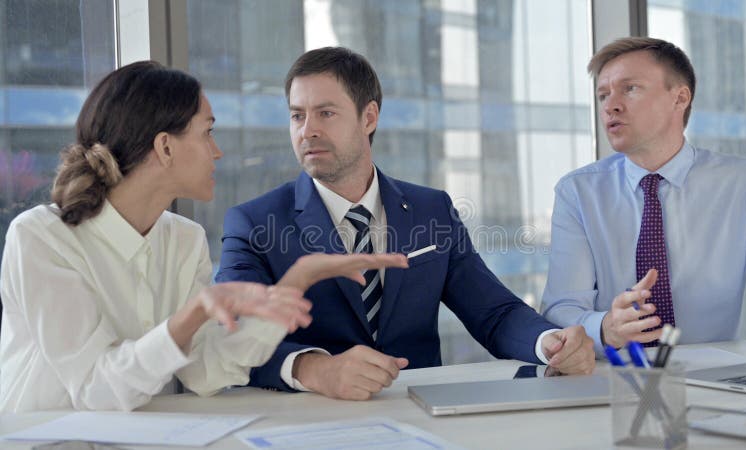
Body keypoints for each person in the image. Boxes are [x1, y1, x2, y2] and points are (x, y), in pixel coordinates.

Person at [0, 61, 407, 413]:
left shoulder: (183, 239)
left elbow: (204, 370)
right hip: (40, 437)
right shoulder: (41, 237)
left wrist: (294, 283)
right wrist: (193, 314)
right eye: (206, 132)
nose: (217, 152)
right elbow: (95, 388)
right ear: (165, 147)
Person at [215, 47, 595, 400]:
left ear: (369, 117)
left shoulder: (432, 209)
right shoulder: (254, 223)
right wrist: (315, 369)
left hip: (421, 413)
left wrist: (549, 343)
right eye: (297, 115)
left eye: (325, 113)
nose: (307, 130)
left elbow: (493, 312)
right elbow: (232, 338)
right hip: (309, 420)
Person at [541, 37, 746, 352]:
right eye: (603, 95)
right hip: (612, 376)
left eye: (630, 88)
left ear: (680, 98)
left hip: (716, 380)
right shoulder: (578, 192)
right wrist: (606, 326)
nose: (611, 105)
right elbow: (560, 310)